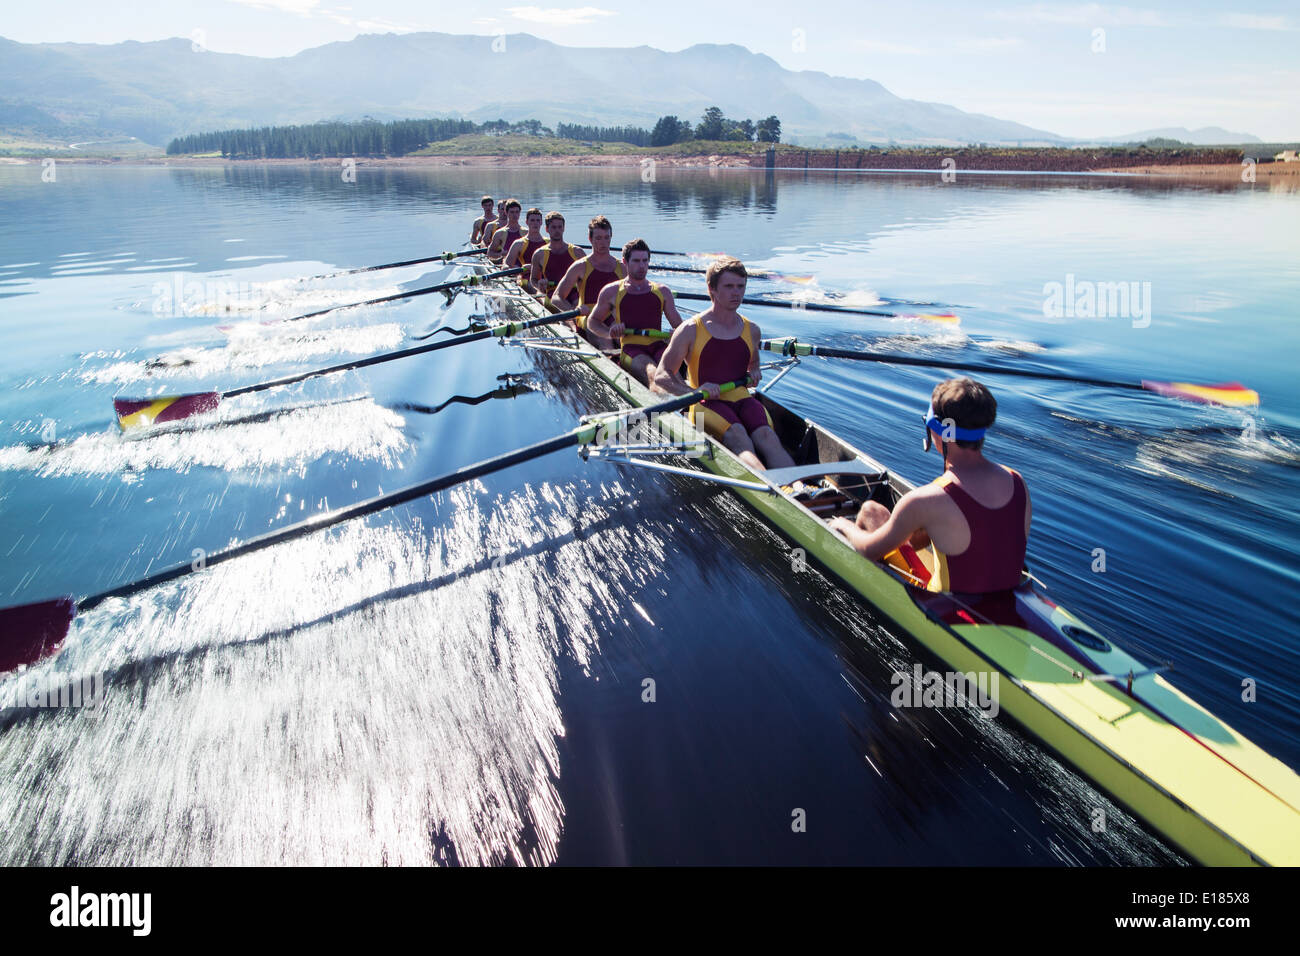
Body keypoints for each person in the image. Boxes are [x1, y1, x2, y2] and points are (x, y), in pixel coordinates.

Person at [828, 377, 1031, 593]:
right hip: (1006, 596)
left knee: (866, 516)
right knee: (872, 512)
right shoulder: (1017, 481)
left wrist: (843, 525)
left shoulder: (927, 500)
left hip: (947, 606)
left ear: (945, 431)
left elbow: (868, 549)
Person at [654, 257, 795, 472]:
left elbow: (754, 363)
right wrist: (694, 391)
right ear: (712, 289)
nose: (736, 293)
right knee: (739, 436)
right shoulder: (690, 330)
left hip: (741, 398)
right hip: (703, 406)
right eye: (729, 286)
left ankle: (799, 489)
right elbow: (662, 376)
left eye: (741, 286)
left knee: (768, 436)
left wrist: (755, 371)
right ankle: (776, 491)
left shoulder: (752, 330)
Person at [586, 238, 683, 386]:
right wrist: (609, 333)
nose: (642, 266)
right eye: (636, 261)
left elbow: (680, 327)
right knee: (654, 375)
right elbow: (592, 322)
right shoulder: (611, 291)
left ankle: (690, 404)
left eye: (645, 261)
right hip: (631, 349)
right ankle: (678, 402)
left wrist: (675, 337)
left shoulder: (663, 291)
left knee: (675, 376)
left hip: (658, 345)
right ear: (625, 262)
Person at [550, 215, 625, 341]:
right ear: (590, 239)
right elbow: (556, 298)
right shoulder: (580, 266)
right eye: (598, 238)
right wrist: (574, 311)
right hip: (587, 316)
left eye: (606, 238)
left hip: (612, 315)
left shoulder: (622, 267)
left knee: (626, 338)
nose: (603, 243)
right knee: (605, 340)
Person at [528, 211, 583, 304]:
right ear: (547, 229)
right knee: (559, 303)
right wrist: (539, 285)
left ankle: (574, 317)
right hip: (552, 294)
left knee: (577, 303)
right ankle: (572, 317)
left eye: (559, 227)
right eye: (553, 227)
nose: (557, 231)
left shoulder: (577, 252)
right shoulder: (539, 254)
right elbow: (533, 280)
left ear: (564, 228)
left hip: (574, 292)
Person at [504, 207, 547, 286]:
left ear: (541, 223)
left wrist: (534, 268)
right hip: (526, 281)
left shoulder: (548, 243)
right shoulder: (518, 243)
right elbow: (506, 266)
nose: (535, 223)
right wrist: (517, 270)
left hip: (546, 281)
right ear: (527, 222)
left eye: (538, 220)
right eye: (532, 220)